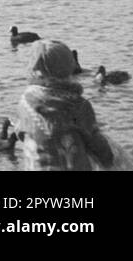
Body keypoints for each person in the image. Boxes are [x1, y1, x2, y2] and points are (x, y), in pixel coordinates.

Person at [15, 40, 116, 171]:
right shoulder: (78, 105)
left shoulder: (25, 101)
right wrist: (110, 160)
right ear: (70, 66)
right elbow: (98, 146)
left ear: (36, 69)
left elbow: (20, 133)